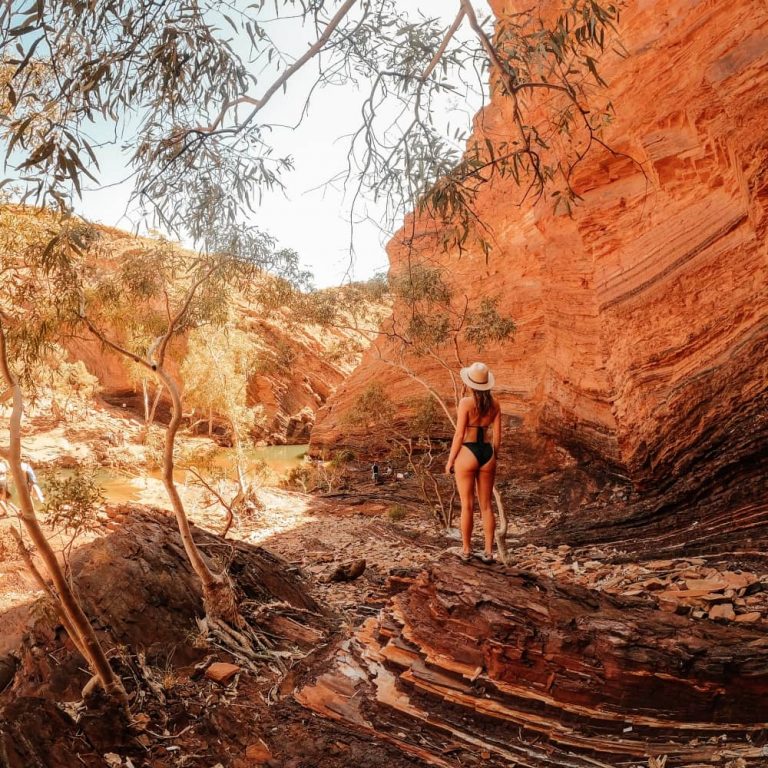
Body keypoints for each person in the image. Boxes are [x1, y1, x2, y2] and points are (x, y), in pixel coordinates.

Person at [445, 362, 501, 563]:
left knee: (467, 505)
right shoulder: (495, 405)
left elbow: (459, 434)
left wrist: (450, 461)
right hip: (487, 453)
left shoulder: (466, 403)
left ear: (470, 383)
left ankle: (467, 550)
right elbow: (497, 437)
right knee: (486, 505)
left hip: (468, 451)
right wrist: (494, 456)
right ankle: (488, 551)